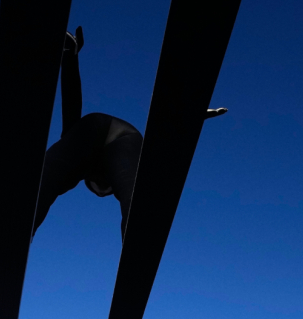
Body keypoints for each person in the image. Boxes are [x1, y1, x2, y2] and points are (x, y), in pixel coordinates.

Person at [32, 26, 226, 239]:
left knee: (57, 168)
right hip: (122, 137)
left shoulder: (83, 168)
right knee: (132, 190)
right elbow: (159, 156)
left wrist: (69, 57)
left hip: (103, 131)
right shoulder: (109, 171)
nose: (104, 191)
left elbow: (71, 112)